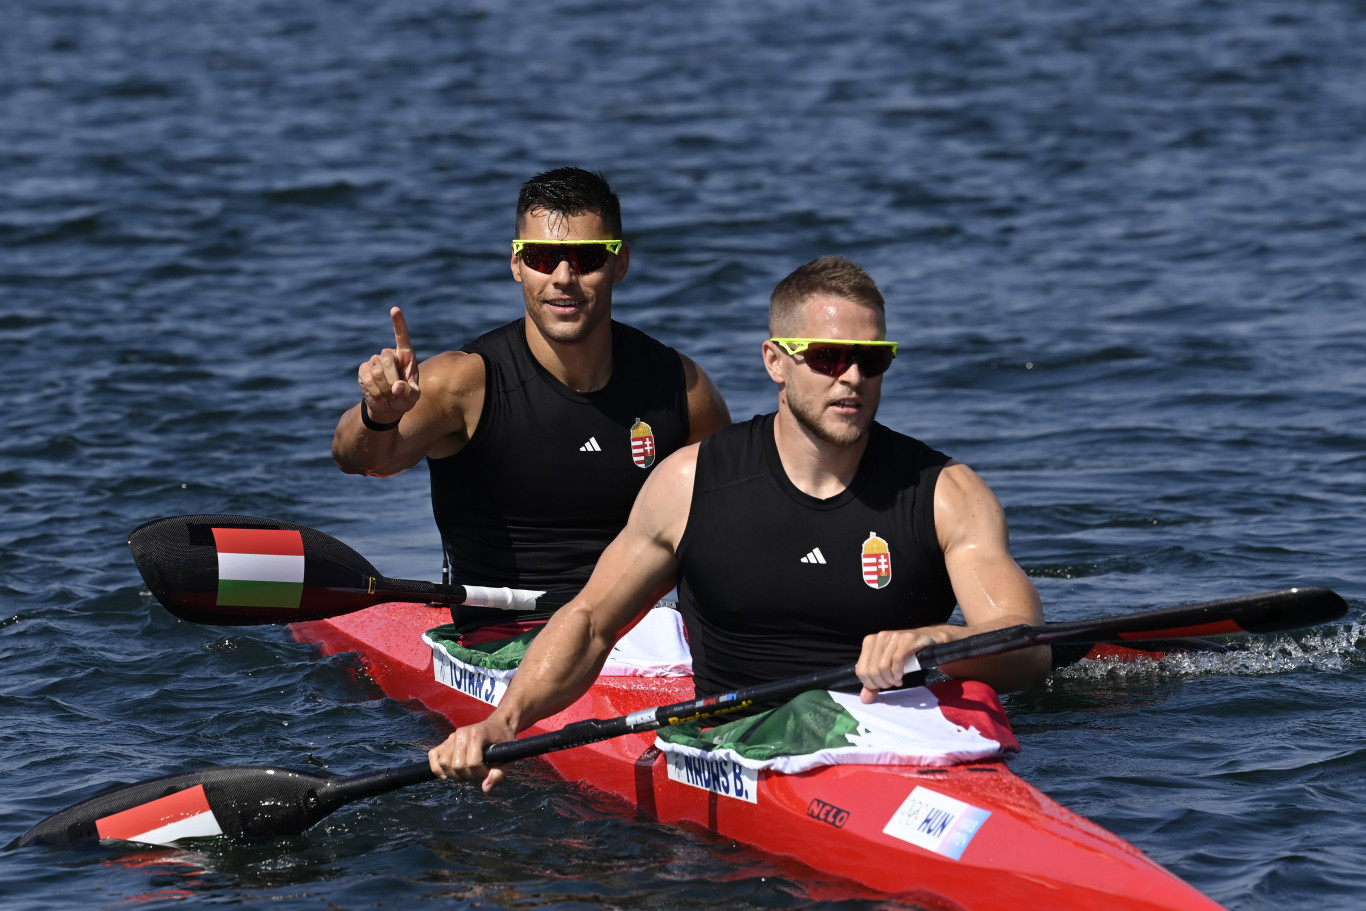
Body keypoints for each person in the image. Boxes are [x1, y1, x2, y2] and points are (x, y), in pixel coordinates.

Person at [429, 255, 1050, 790]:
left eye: (872, 359)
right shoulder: (688, 484)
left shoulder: (947, 493)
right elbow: (591, 624)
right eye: (830, 357)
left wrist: (941, 639)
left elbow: (1027, 651)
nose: (853, 377)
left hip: (899, 741)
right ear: (775, 362)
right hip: (737, 749)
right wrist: (501, 724)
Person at [333, 167, 731, 633]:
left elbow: (732, 525)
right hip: (506, 633)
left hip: (646, 635)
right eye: (543, 257)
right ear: (517, 264)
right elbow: (359, 460)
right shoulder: (461, 384)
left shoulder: (681, 388)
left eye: (586, 259)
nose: (564, 277)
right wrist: (377, 416)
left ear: (619, 264)